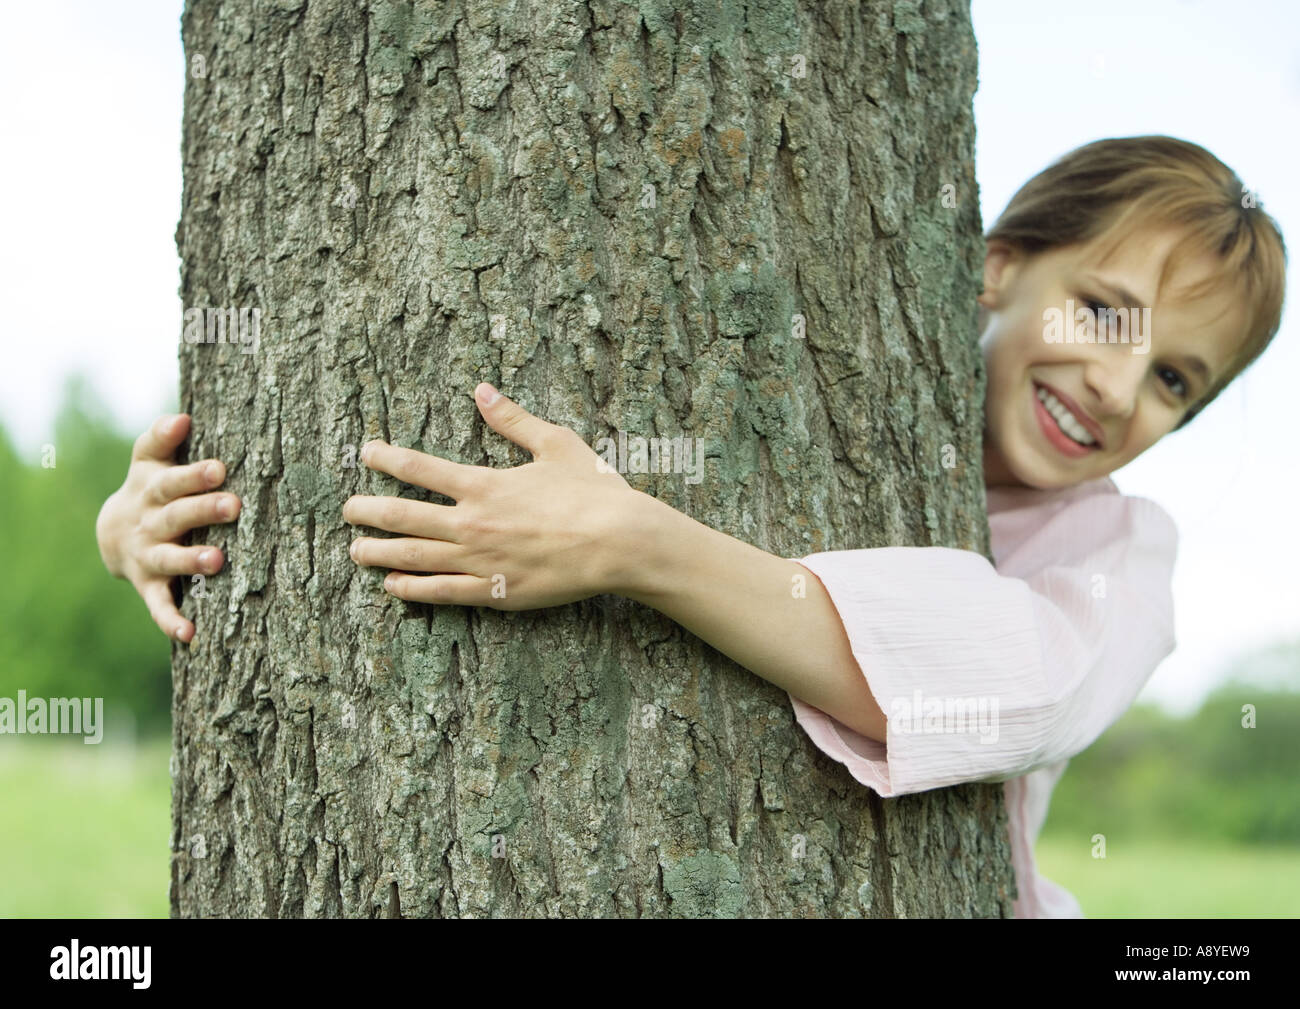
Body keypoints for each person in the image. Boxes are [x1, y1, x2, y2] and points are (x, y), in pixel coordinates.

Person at [96, 135, 1287, 917]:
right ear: (996, 265)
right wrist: (140, 521)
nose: (1122, 392)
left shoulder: (1120, 551)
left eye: (1177, 380)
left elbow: (1019, 681)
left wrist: (636, 545)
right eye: (1104, 314)